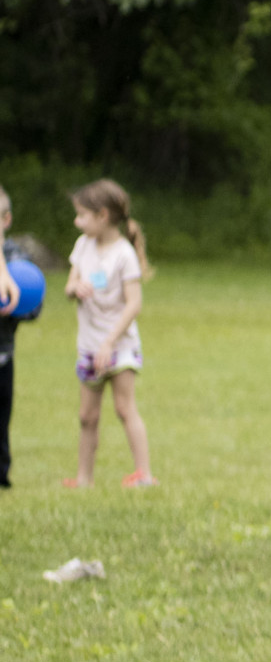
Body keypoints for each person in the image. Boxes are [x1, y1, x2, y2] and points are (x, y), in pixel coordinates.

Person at [63, 179, 156, 489]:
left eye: (82, 216)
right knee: (87, 416)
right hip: (89, 346)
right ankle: (83, 479)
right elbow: (68, 286)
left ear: (102, 216)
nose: (77, 222)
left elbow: (134, 305)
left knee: (123, 407)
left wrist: (109, 342)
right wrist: (75, 288)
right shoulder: (82, 246)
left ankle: (143, 475)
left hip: (119, 345)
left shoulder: (124, 255)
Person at [0, 182, 38, 489]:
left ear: (7, 219)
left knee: (2, 416)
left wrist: (16, 309)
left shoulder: (16, 257)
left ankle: (2, 473)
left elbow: (32, 305)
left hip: (3, 352)